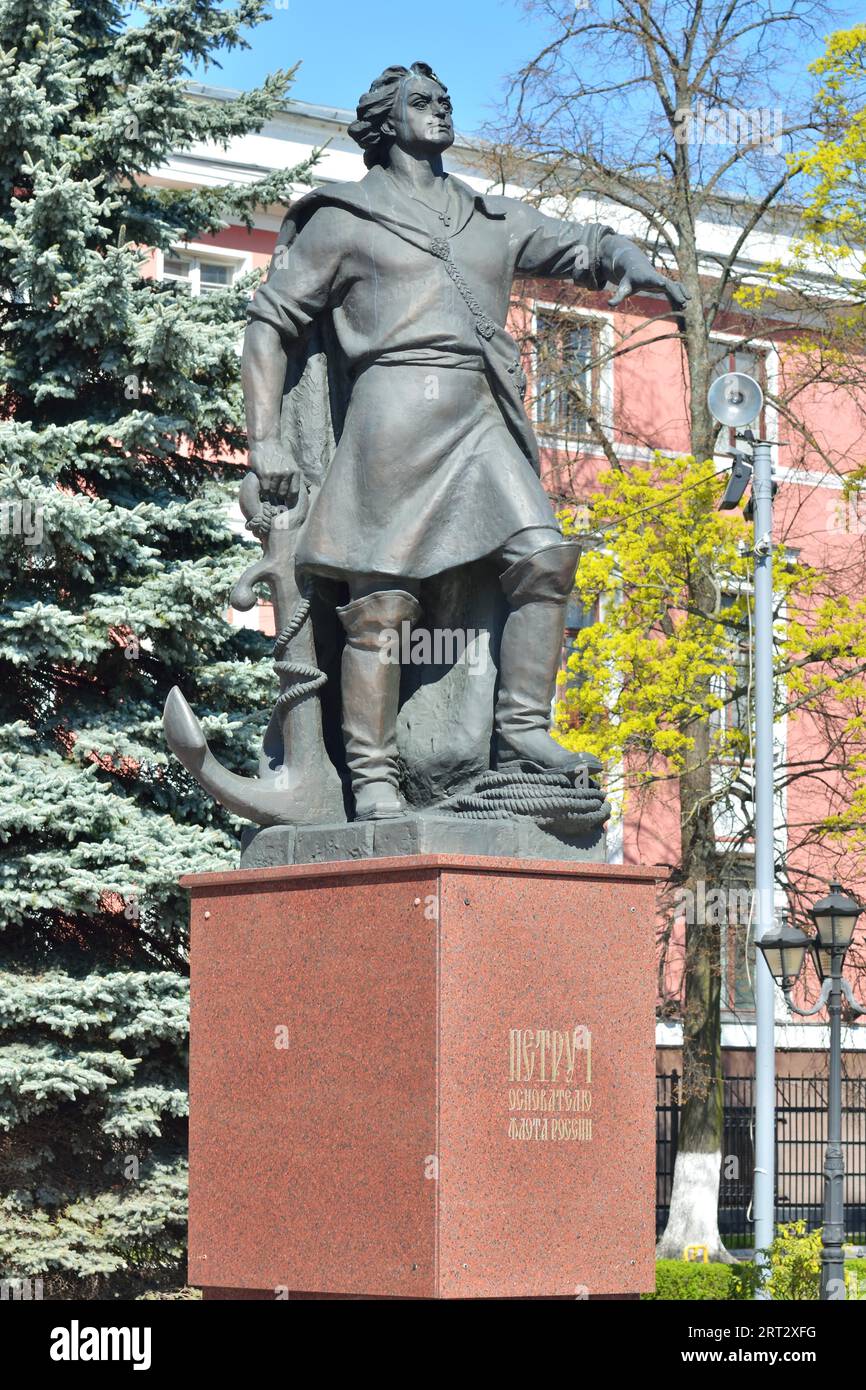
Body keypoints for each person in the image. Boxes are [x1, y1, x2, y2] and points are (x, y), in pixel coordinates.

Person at [242, 62, 688, 820]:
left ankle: (522, 731)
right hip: (391, 414)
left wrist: (628, 260)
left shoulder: (489, 218)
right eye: (421, 102)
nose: (440, 110)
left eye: (446, 99)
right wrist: (264, 441)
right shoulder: (345, 219)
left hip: (481, 414)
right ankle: (373, 776)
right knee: (381, 604)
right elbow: (269, 323)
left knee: (544, 558)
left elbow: (581, 244)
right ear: (386, 122)